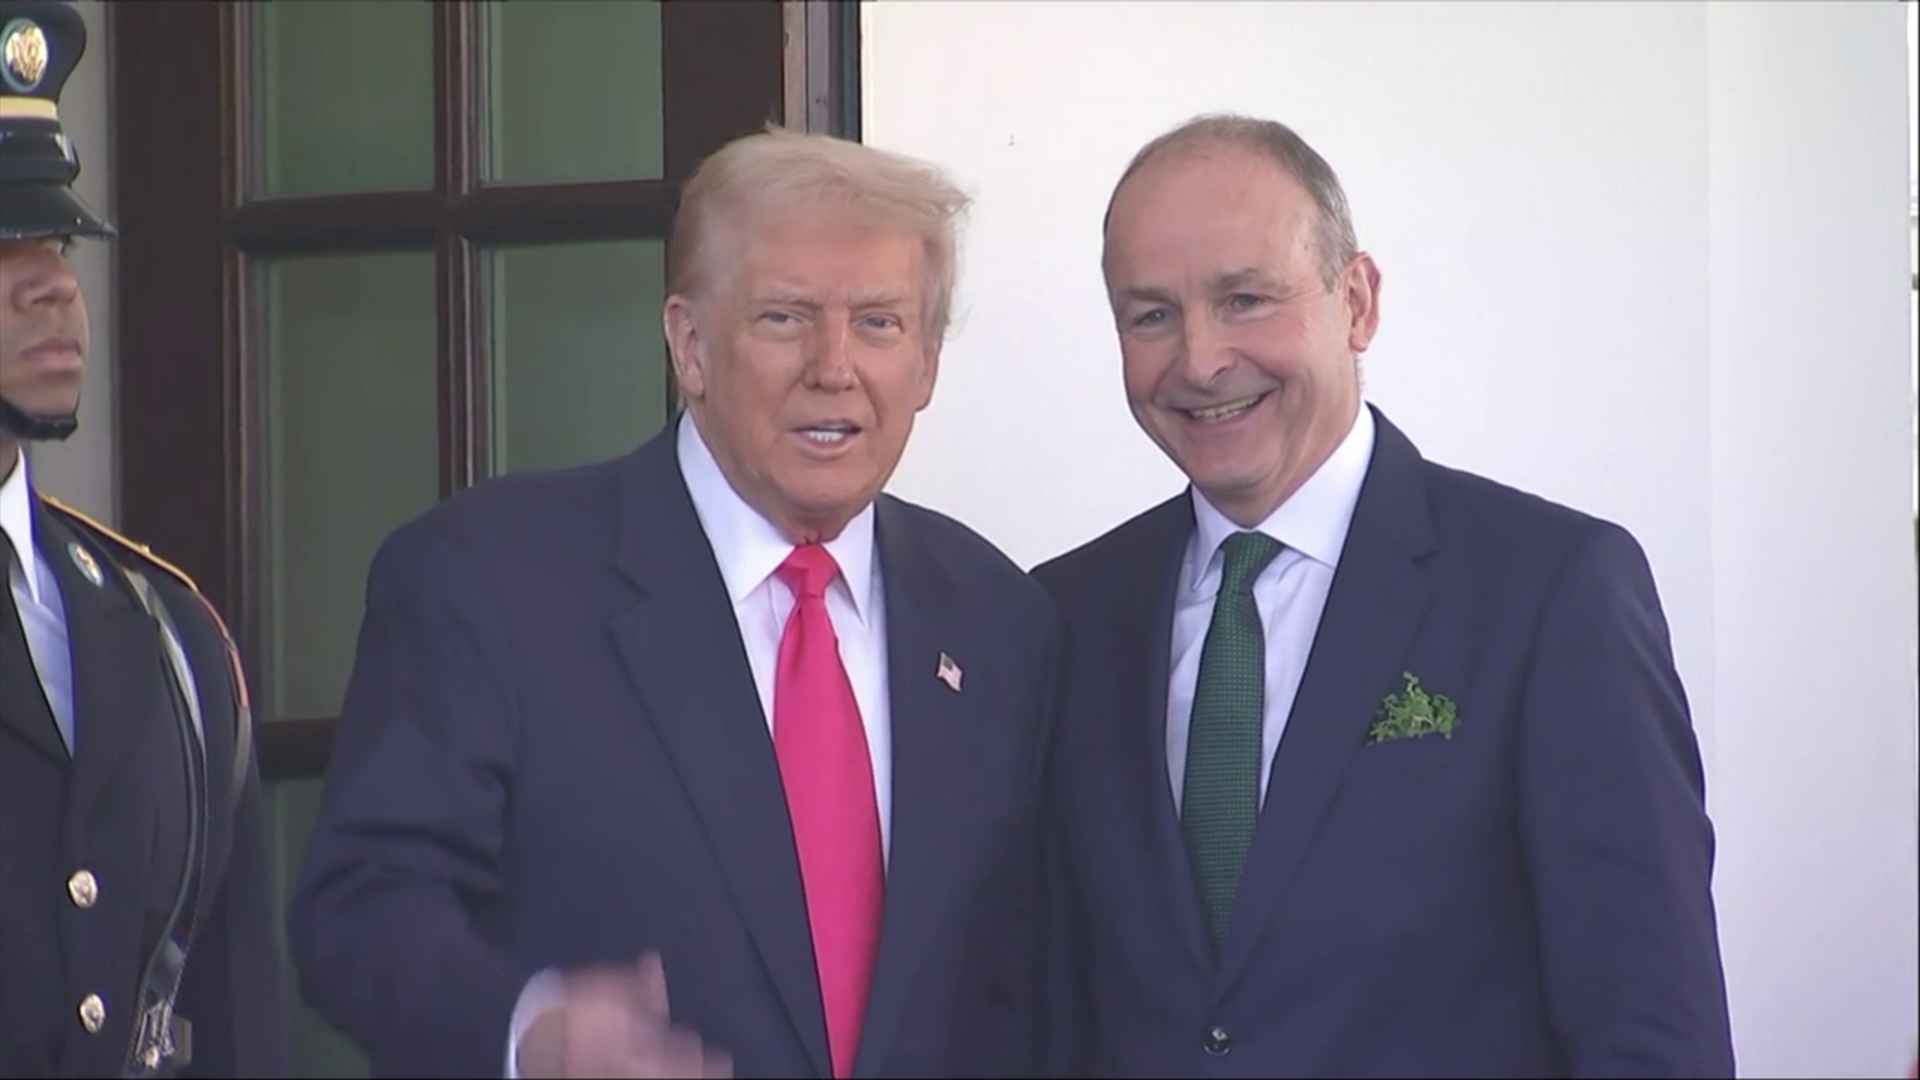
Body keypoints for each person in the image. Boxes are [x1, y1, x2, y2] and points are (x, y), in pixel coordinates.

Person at [285, 125, 1061, 1079]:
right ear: (690, 346)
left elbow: (1021, 985)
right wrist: (529, 1029)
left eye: (879, 323)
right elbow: (359, 911)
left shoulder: (996, 620)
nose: (834, 366)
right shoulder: (489, 580)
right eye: (784, 318)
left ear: (928, 363)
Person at [1034, 112, 1735, 1077]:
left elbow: (1650, 1029)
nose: (1198, 360)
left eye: (1245, 299)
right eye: (1150, 315)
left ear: (1356, 302)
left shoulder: (1550, 591)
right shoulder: (1064, 616)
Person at [0, 3, 290, 1077]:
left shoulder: (169, 631)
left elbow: (236, 1013)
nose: (53, 283)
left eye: (56, 242)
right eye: (2, 247)